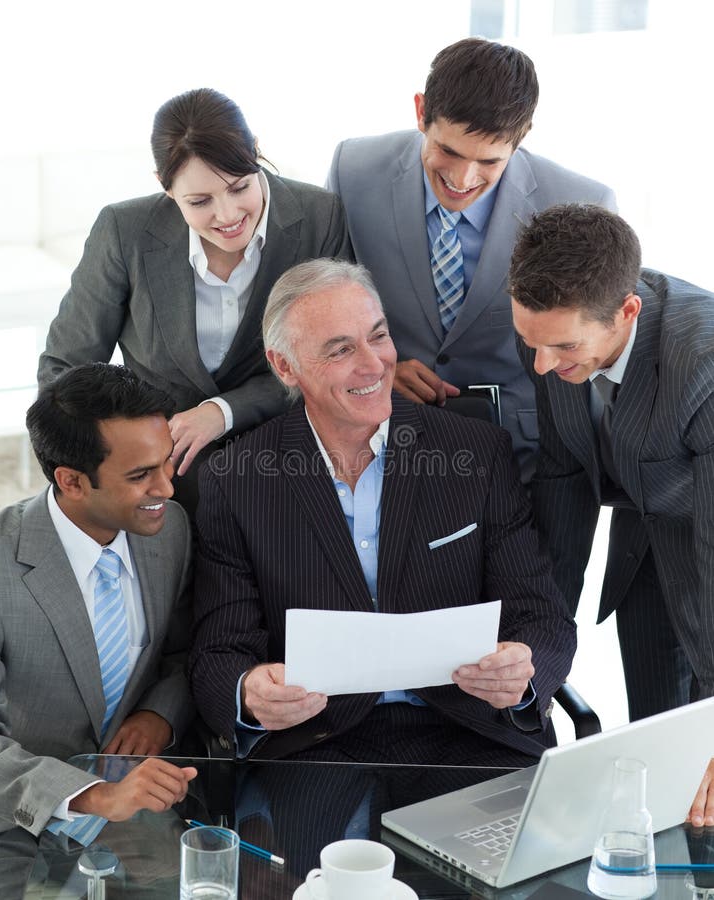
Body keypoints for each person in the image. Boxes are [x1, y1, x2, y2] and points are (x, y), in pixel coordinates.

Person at [190, 259, 576, 765]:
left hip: (470, 733)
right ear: (285, 367)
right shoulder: (235, 479)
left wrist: (524, 669)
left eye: (378, 336)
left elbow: (541, 615)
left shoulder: (478, 453)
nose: (373, 365)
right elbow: (219, 652)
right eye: (340, 349)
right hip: (315, 747)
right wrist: (248, 692)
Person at [39, 87, 351, 514]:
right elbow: (65, 368)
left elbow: (328, 360)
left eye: (239, 187)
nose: (227, 215)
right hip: (162, 466)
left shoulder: (319, 216)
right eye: (199, 201)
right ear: (165, 188)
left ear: (256, 152)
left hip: (281, 452)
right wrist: (109, 461)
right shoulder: (124, 230)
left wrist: (222, 411)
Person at [327, 37, 616, 481]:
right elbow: (327, 308)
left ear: (520, 140)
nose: (462, 179)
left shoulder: (583, 204)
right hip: (384, 443)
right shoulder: (353, 169)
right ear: (421, 111)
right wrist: (377, 370)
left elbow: (598, 351)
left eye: (488, 161)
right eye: (448, 151)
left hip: (529, 460)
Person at [508, 203, 714, 721]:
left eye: (562, 347)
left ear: (627, 311)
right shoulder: (546, 328)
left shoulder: (704, 363)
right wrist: (543, 638)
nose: (541, 364)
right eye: (533, 343)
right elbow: (564, 476)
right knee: (656, 738)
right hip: (645, 541)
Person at [0, 363, 196, 842]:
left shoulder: (170, 531)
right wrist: (95, 795)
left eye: (166, 463)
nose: (166, 488)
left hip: (139, 812)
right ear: (72, 481)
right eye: (141, 475)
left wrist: (159, 714)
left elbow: (185, 653)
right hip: (7, 826)